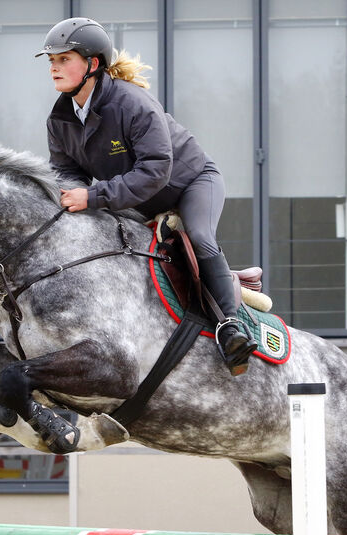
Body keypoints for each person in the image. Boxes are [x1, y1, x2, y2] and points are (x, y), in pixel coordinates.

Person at [36, 17, 257, 376]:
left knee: (200, 237)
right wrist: (77, 194)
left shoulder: (132, 104)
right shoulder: (59, 119)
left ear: (92, 64)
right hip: (137, 201)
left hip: (190, 184)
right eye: (51, 61)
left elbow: (156, 170)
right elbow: (67, 172)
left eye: (64, 59)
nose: (54, 68)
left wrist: (92, 197)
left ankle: (231, 328)